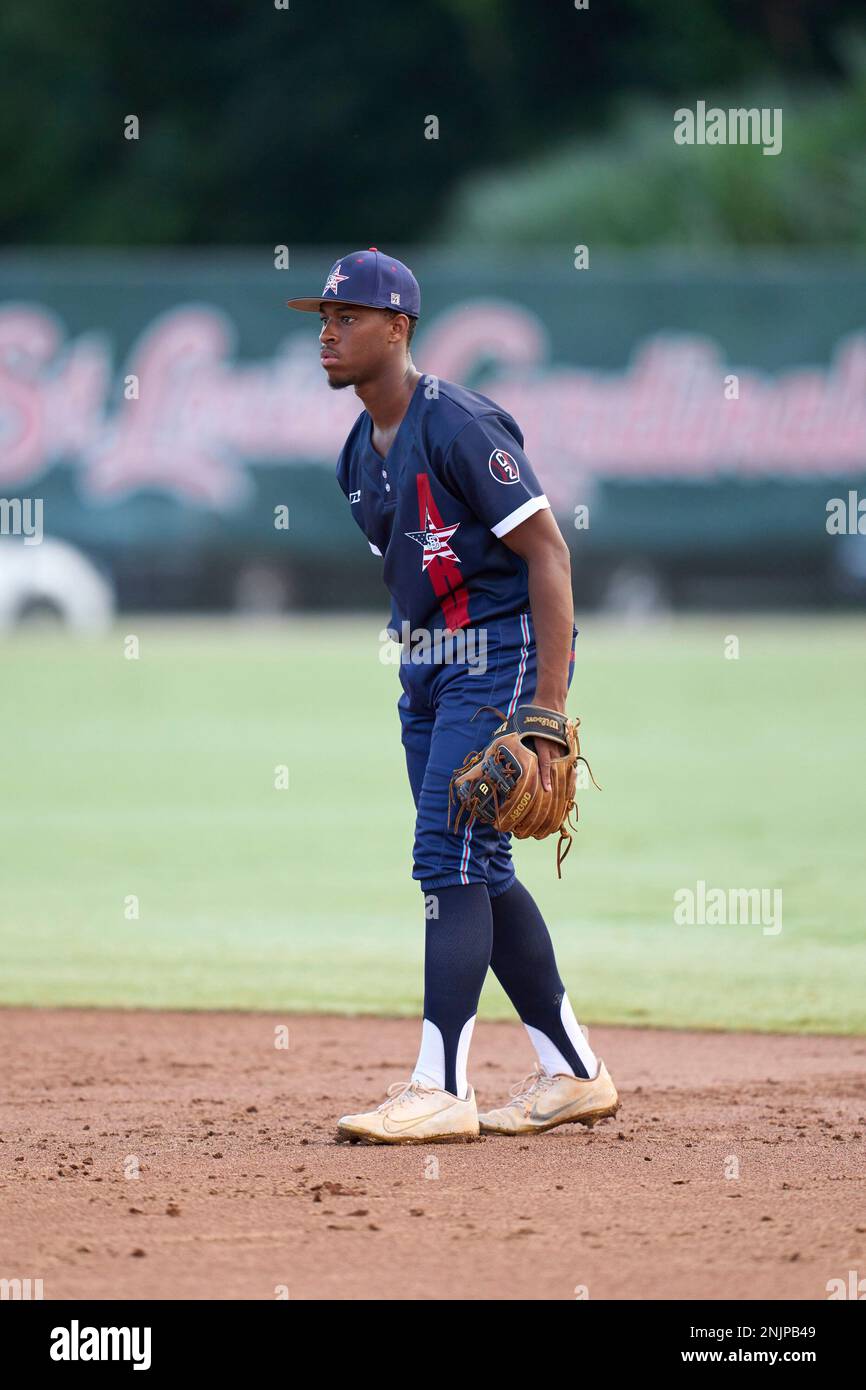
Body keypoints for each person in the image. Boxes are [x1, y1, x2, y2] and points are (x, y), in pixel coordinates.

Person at [286, 249, 618, 1143]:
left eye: (346, 316)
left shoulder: (461, 425)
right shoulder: (358, 456)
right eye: (322, 316)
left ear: (399, 328)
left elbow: (549, 553)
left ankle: (441, 1087)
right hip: (427, 669)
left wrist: (546, 712)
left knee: (445, 856)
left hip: (498, 655)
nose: (327, 331)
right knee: (477, 865)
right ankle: (574, 1070)